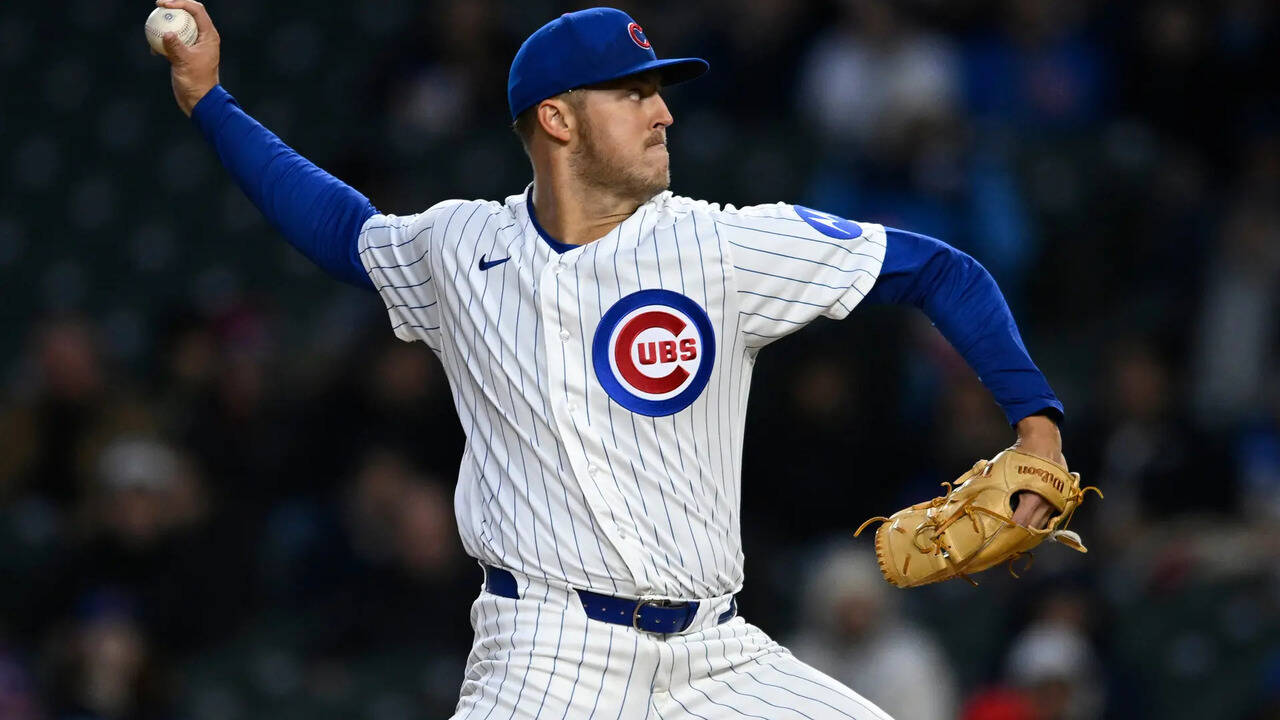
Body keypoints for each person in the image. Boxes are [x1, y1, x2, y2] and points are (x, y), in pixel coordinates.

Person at [155, 3, 1070, 717]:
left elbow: (941, 270)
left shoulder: (722, 250)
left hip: (718, 657)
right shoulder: (460, 249)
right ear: (556, 118)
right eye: (633, 92)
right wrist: (210, 99)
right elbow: (337, 229)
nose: (663, 111)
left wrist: (1037, 424)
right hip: (546, 657)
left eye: (659, 90)